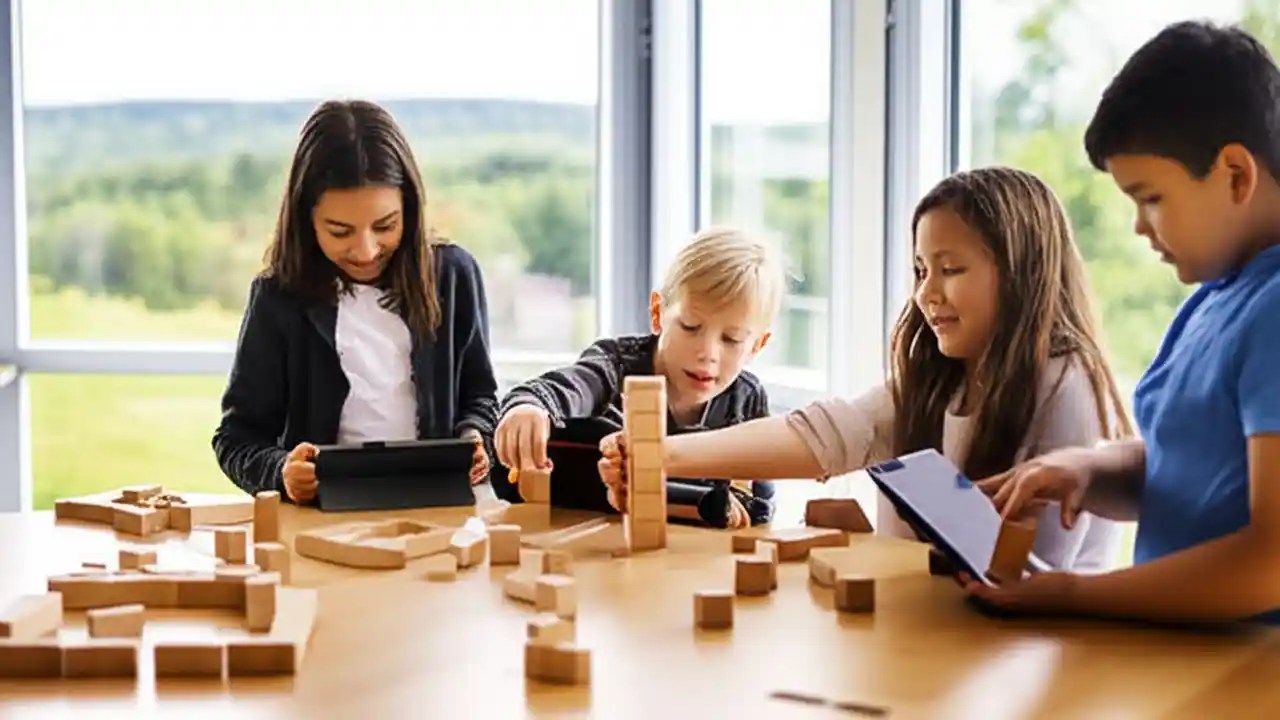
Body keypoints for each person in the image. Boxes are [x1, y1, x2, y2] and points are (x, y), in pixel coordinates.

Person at [601, 167, 1130, 570]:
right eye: (921, 270)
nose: (926, 292)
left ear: (1022, 271)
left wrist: (886, 538)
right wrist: (660, 454)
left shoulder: (1066, 386)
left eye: (951, 269)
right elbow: (827, 435)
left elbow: (1028, 575)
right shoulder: (940, 377)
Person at [972, 21, 1280, 624]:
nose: (1140, 227)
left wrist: (1075, 596)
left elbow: (1269, 560)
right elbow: (1200, 471)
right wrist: (1085, 468)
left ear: (1235, 174)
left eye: (1152, 198)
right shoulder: (1215, 299)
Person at [213, 99, 497, 504]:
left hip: (441, 515)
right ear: (306, 219)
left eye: (385, 226)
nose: (365, 251)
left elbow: (480, 396)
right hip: (320, 524)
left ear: (410, 210)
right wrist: (281, 471)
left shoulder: (454, 275)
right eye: (340, 231)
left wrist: (474, 437)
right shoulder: (278, 297)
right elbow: (236, 439)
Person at [494, 227, 785, 528]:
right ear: (658, 313)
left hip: (691, 560)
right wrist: (528, 406)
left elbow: (759, 501)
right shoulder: (616, 365)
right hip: (597, 544)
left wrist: (732, 508)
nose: (708, 353)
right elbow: (558, 390)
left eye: (732, 339)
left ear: (756, 346)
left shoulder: (746, 402)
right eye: (690, 326)